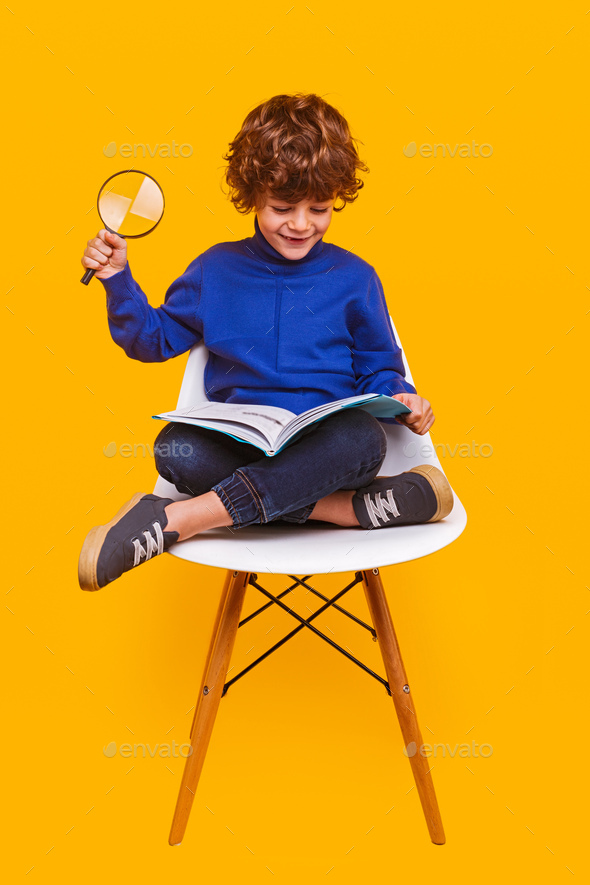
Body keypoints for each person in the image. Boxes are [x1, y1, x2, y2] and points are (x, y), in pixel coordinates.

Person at [78, 93, 453, 592]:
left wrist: (402, 397)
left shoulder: (355, 277)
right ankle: (345, 512)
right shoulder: (215, 270)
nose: (301, 224)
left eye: (319, 209)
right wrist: (118, 281)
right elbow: (151, 340)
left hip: (331, 453)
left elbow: (380, 367)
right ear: (251, 195)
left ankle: (176, 520)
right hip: (243, 450)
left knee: (361, 436)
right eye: (282, 208)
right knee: (176, 450)